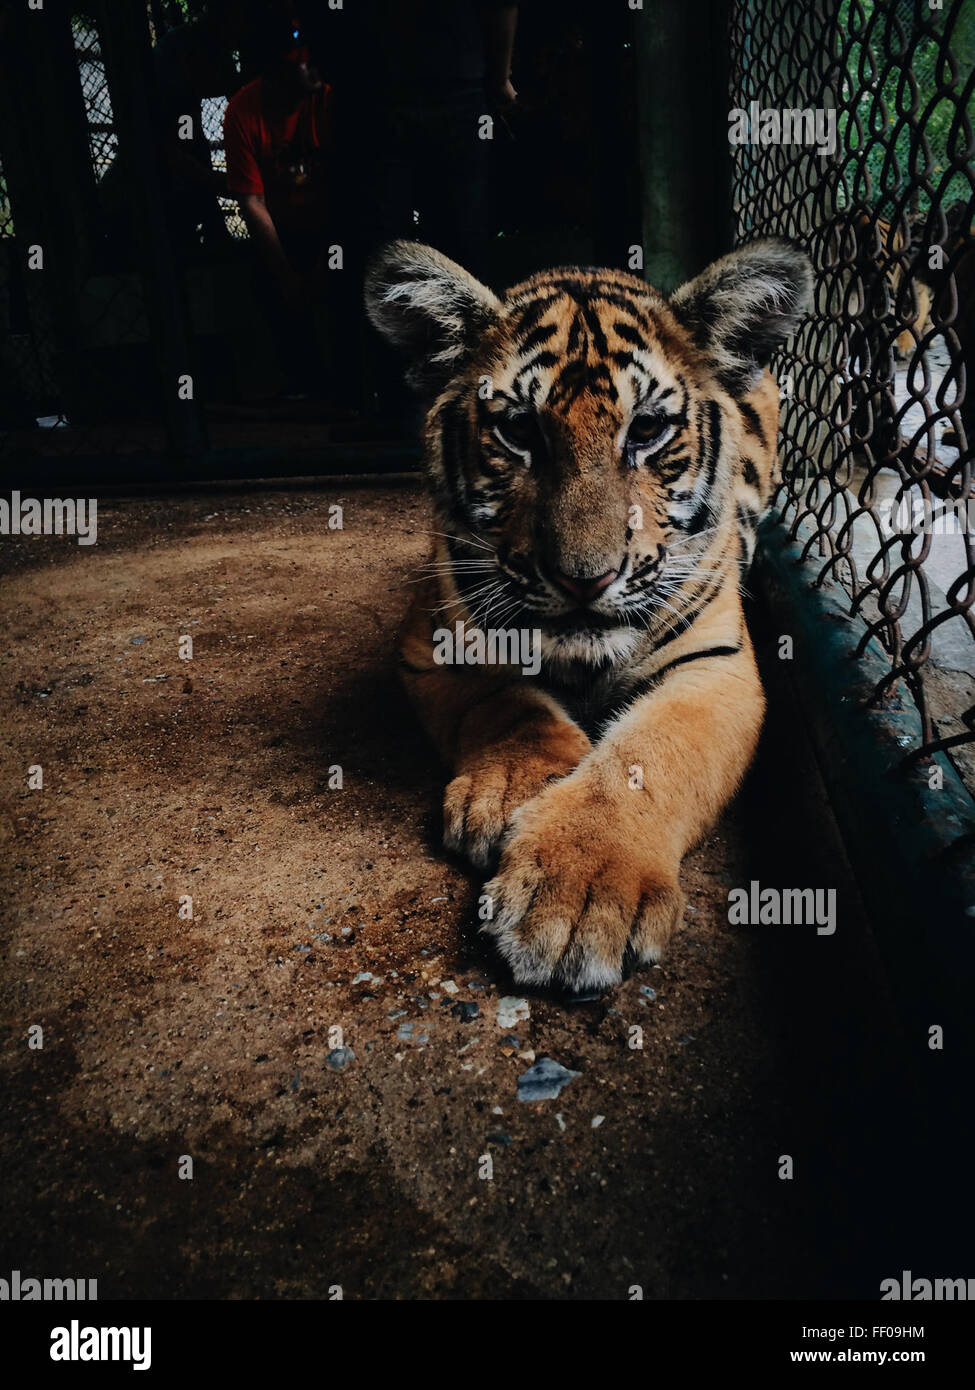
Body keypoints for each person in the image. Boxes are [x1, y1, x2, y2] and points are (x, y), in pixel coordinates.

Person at [224, 16, 332, 396]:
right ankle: (306, 385)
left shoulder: (330, 97)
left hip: (330, 223)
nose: (312, 68)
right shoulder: (242, 111)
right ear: (274, 73)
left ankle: (355, 383)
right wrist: (287, 276)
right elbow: (252, 202)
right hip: (284, 228)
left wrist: (325, 258)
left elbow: (350, 189)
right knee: (269, 283)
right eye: (299, 63)